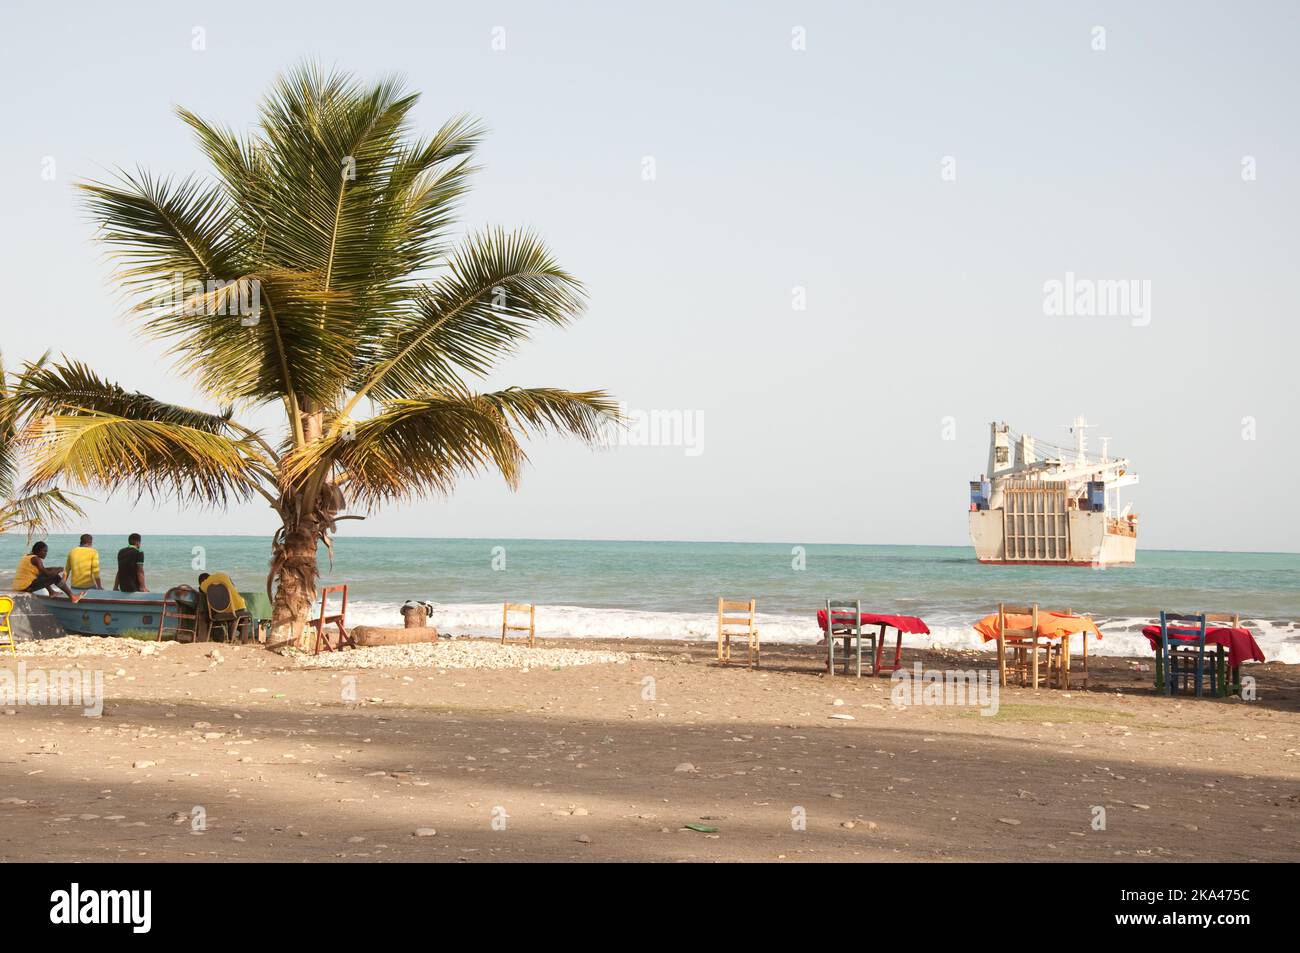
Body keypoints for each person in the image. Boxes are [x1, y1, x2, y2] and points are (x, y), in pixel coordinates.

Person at [13, 542, 82, 601]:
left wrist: (54, 568)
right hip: (26, 587)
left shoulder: (27, 557)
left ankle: (51, 592)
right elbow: (47, 574)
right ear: (37, 551)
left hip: (19, 586)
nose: (46, 553)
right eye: (44, 551)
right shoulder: (36, 559)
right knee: (55, 577)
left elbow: (42, 571)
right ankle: (72, 597)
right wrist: (58, 570)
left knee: (42, 575)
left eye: (46, 551)